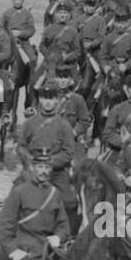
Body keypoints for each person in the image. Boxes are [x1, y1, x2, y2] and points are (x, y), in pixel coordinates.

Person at [17, 84, 80, 232]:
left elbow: (68, 152)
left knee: (70, 202)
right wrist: (29, 160)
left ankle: (67, 237)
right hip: (33, 169)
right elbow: (21, 145)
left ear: (57, 101)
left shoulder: (64, 125)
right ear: (39, 100)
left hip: (56, 172)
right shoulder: (29, 123)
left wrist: (50, 162)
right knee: (15, 197)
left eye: (51, 99)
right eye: (45, 98)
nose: (48, 102)